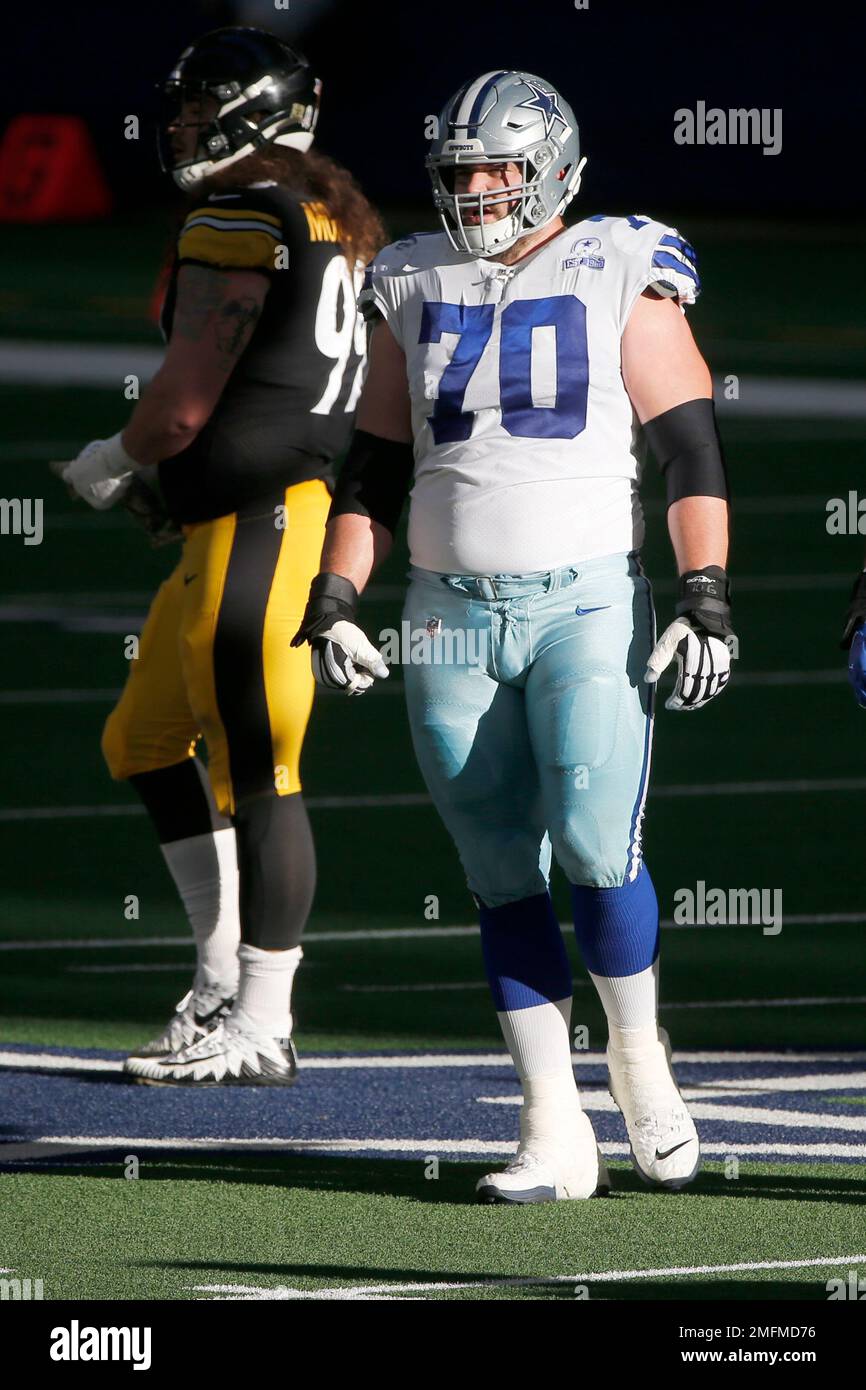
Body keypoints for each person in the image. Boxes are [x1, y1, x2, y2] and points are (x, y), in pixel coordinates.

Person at [292, 70, 735, 1199]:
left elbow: (685, 443)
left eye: (496, 168)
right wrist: (334, 597)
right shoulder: (408, 275)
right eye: (459, 171)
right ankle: (551, 1127)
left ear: (550, 166)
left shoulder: (619, 258)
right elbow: (376, 463)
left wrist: (703, 593)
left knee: (593, 842)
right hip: (445, 612)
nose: (475, 190)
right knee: (496, 869)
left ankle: (637, 1060)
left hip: (583, 599)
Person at [54, 26, 385, 1085]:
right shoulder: (325, 208)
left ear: (251, 113)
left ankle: (266, 1016)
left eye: (202, 110)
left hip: (265, 519)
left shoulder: (241, 214)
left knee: (260, 768)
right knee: (143, 738)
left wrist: (114, 457)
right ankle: (214, 984)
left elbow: (187, 400)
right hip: (237, 512)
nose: (184, 128)